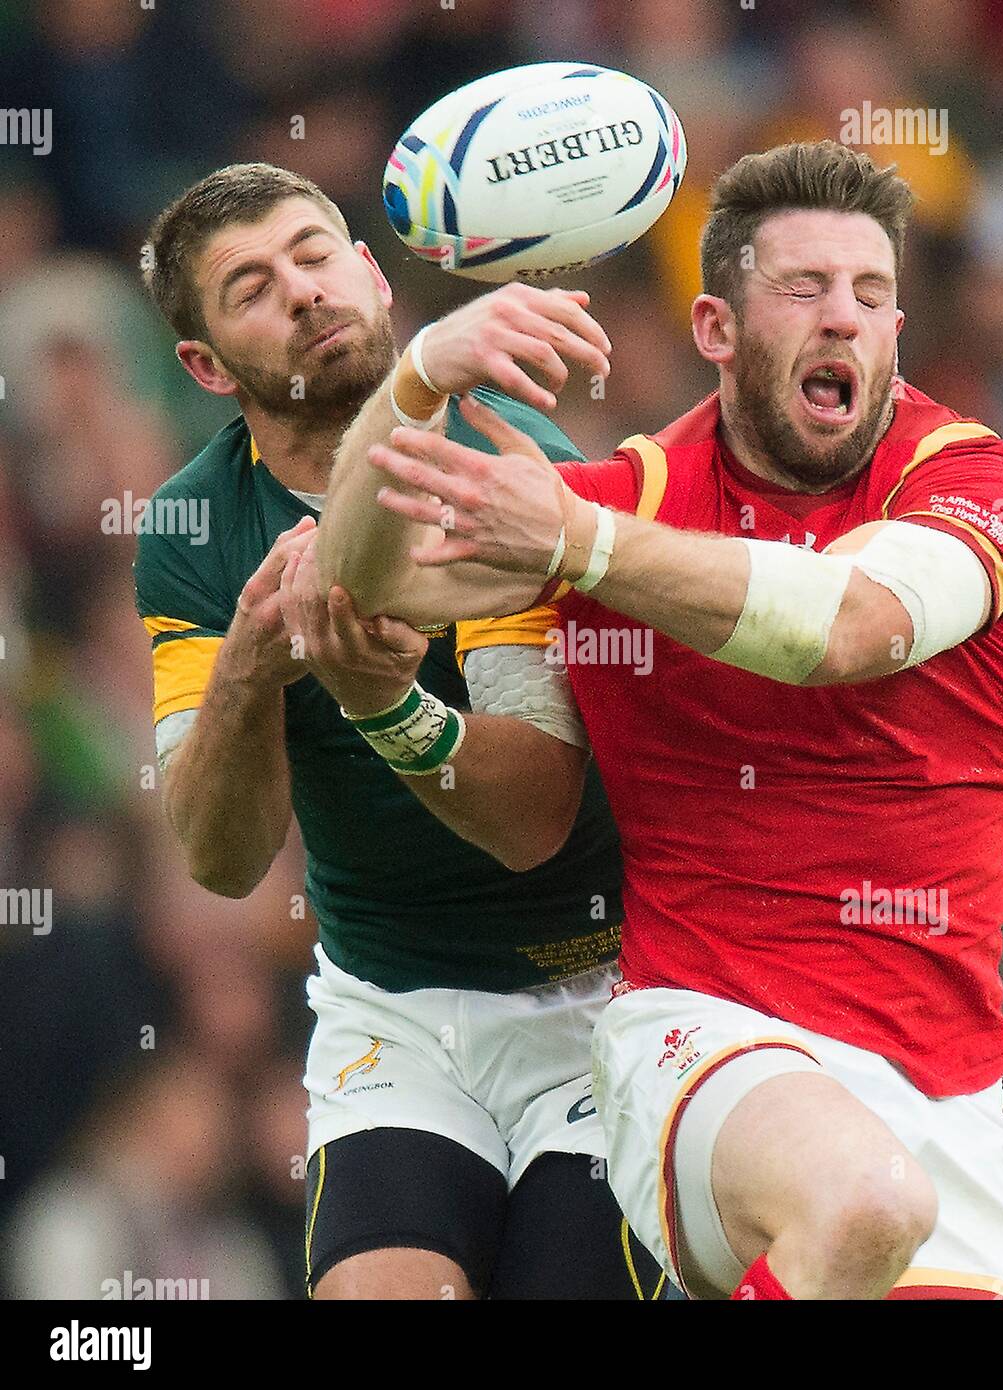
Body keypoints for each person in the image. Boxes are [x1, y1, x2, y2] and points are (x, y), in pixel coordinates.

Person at [307, 139, 1003, 1300]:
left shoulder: (980, 483)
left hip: (947, 1097)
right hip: (696, 1042)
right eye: (803, 290)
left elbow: (846, 625)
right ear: (716, 328)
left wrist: (583, 549)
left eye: (871, 295)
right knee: (865, 1199)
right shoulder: (626, 498)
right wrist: (419, 376)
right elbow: (364, 579)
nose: (845, 320)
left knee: (881, 1201)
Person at [133, 162, 668, 1300]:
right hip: (391, 1011)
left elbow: (533, 821)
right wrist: (247, 664)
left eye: (317, 255)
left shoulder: (510, 463)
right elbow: (221, 860)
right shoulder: (190, 530)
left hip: (594, 996)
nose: (304, 292)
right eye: (252, 286)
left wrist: (390, 710)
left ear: (374, 275)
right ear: (205, 364)